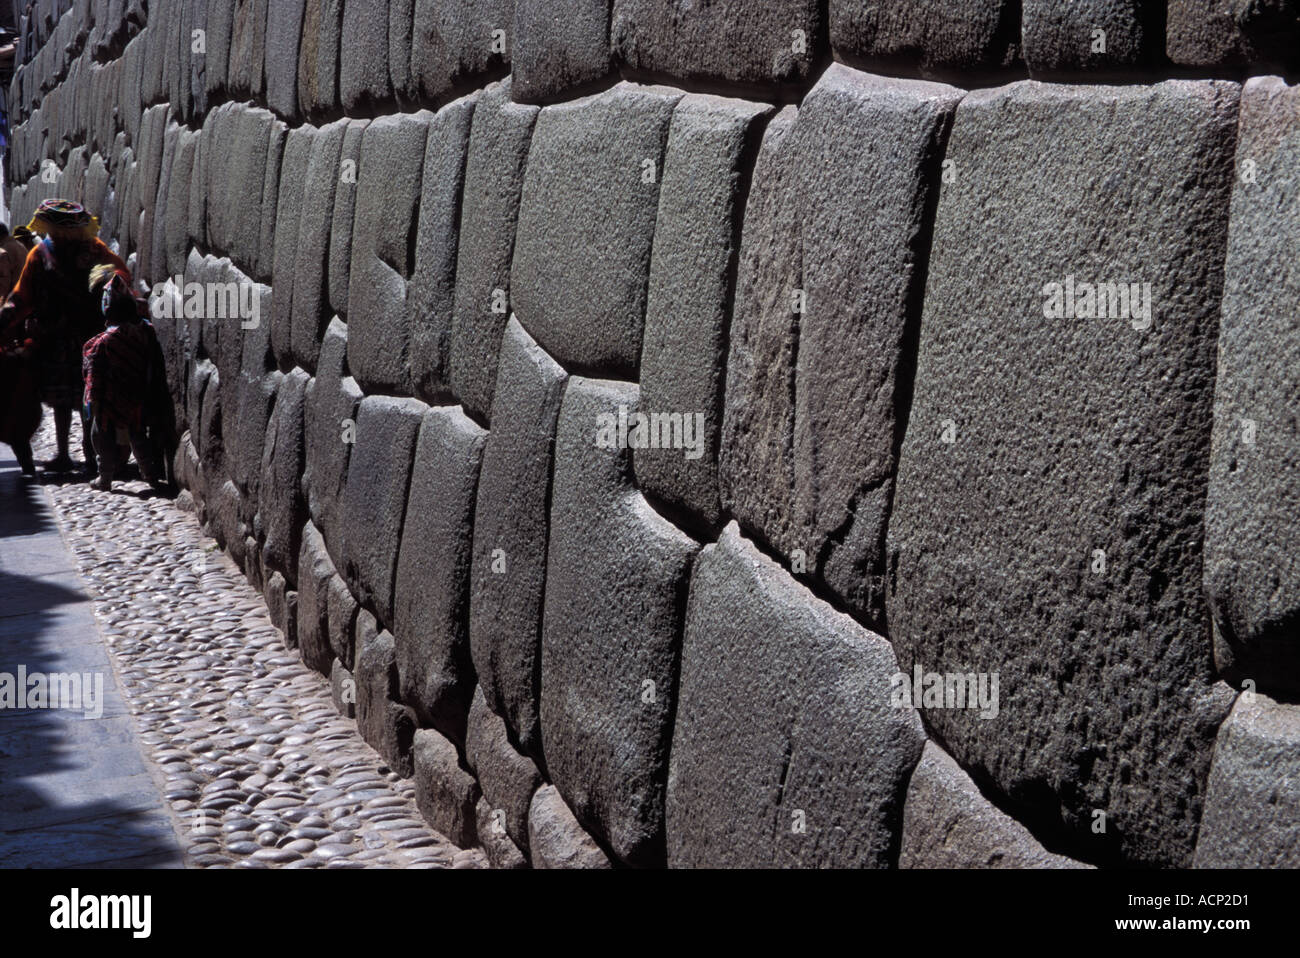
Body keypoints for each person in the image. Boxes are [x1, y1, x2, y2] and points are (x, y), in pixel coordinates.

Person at [0, 200, 128, 474]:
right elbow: (119, 276)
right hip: (87, 336)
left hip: (57, 338)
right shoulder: (95, 250)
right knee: (86, 394)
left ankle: (70, 453)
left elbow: (23, 296)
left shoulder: (42, 253)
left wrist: (6, 319)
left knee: (65, 398)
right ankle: (89, 452)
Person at [82, 264, 175, 492]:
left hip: (110, 399)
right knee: (137, 435)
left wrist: (91, 399)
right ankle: (150, 475)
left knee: (100, 434)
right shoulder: (145, 332)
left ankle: (105, 476)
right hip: (137, 395)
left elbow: (94, 372)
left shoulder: (102, 342)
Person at [0, 222, 30, 300]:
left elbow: (3, 284)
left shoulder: (4, 251)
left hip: (12, 301)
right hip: (25, 297)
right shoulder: (20, 246)